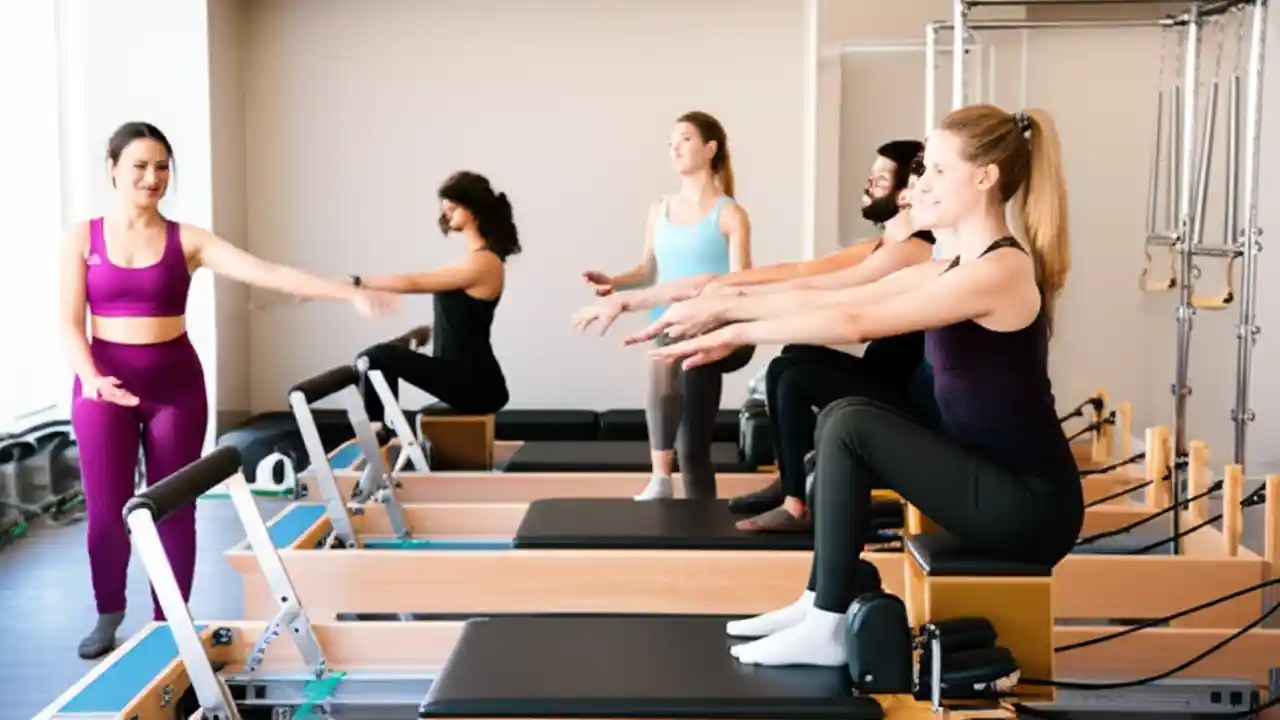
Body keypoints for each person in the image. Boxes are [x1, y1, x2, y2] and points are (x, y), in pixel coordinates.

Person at [647, 104, 1084, 668]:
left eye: (937, 171)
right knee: (839, 417)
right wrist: (726, 306)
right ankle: (817, 603)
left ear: (985, 177)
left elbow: (854, 325)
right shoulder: (954, 264)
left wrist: (734, 330)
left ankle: (826, 625)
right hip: (988, 481)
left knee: (853, 422)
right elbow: (837, 297)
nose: (920, 184)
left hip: (1029, 507)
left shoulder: (999, 272)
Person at [62, 121, 399, 659]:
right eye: (140, 166)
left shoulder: (187, 240)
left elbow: (266, 273)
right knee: (106, 511)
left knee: (174, 505)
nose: (153, 178)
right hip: (101, 384)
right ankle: (108, 612)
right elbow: (68, 323)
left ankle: (168, 619)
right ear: (113, 168)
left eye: (162, 167)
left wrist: (345, 291)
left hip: (174, 384)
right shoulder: (82, 237)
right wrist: (94, 378)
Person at [577, 111, 753, 501]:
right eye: (671, 141)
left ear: (710, 149)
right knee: (668, 369)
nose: (675, 146)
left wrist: (708, 310)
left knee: (692, 438)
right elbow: (647, 271)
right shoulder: (659, 209)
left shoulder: (729, 214)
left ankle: (675, 488)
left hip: (715, 331)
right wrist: (614, 283)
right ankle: (661, 477)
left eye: (685, 139)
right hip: (668, 330)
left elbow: (742, 283)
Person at [350, 171, 518, 421]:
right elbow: (463, 318)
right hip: (463, 376)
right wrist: (428, 330)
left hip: (473, 381)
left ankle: (379, 434)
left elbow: (414, 281)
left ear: (473, 208)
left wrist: (356, 283)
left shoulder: (485, 262)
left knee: (374, 358)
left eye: (453, 206)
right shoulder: (476, 259)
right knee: (378, 358)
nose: (446, 212)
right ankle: (382, 431)